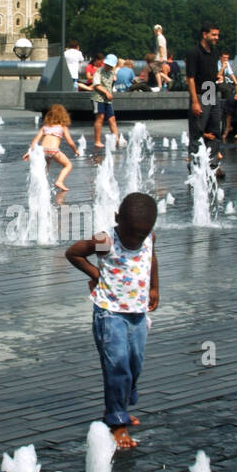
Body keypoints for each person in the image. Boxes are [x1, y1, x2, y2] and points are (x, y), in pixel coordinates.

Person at [64, 191, 159, 451]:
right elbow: (73, 253)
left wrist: (154, 289)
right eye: (130, 234)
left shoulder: (148, 237)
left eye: (140, 235)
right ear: (117, 219)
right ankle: (117, 422)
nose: (134, 240)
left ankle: (119, 407)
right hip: (109, 312)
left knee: (134, 364)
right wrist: (96, 273)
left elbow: (151, 258)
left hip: (138, 312)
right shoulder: (107, 241)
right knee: (117, 365)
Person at [185, 23, 222, 166]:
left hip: (211, 90)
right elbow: (190, 78)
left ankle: (212, 165)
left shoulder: (214, 51)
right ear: (204, 34)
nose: (216, 38)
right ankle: (195, 166)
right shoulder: (193, 52)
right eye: (213, 35)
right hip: (201, 92)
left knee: (214, 130)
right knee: (197, 130)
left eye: (217, 35)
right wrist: (195, 101)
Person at [24, 103, 79, 191]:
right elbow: (70, 142)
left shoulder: (45, 127)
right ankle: (59, 181)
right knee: (68, 165)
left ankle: (41, 184)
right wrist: (76, 150)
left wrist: (29, 151)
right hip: (54, 151)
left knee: (46, 166)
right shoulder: (63, 127)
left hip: (43, 151)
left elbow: (35, 140)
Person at [92, 52, 119, 148]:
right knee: (100, 118)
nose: (108, 67)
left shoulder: (112, 73)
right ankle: (97, 141)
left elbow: (111, 84)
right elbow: (96, 85)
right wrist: (107, 93)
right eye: (107, 65)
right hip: (98, 98)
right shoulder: (98, 71)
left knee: (112, 119)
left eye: (111, 66)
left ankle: (116, 139)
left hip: (107, 100)